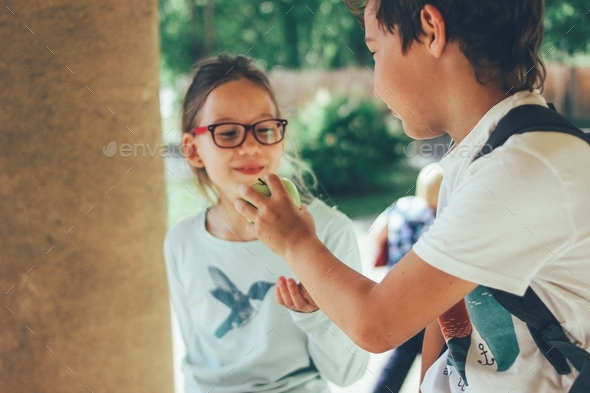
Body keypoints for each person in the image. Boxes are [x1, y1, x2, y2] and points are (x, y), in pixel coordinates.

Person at [233, 1, 590, 392]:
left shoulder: (523, 168)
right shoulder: (480, 154)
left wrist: (294, 239)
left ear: (431, 29)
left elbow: (378, 324)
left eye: (375, 50)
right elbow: (447, 308)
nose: (374, 82)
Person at [163, 54, 369, 393]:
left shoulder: (329, 231)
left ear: (281, 136)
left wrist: (315, 313)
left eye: (264, 129)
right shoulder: (180, 243)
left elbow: (347, 372)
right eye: (227, 133)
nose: (250, 146)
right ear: (192, 149)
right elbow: (197, 364)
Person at [371, 163, 442, 393]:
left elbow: (376, 235)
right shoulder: (441, 218)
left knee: (402, 356)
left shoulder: (400, 206)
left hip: (396, 292)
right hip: (429, 301)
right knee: (437, 362)